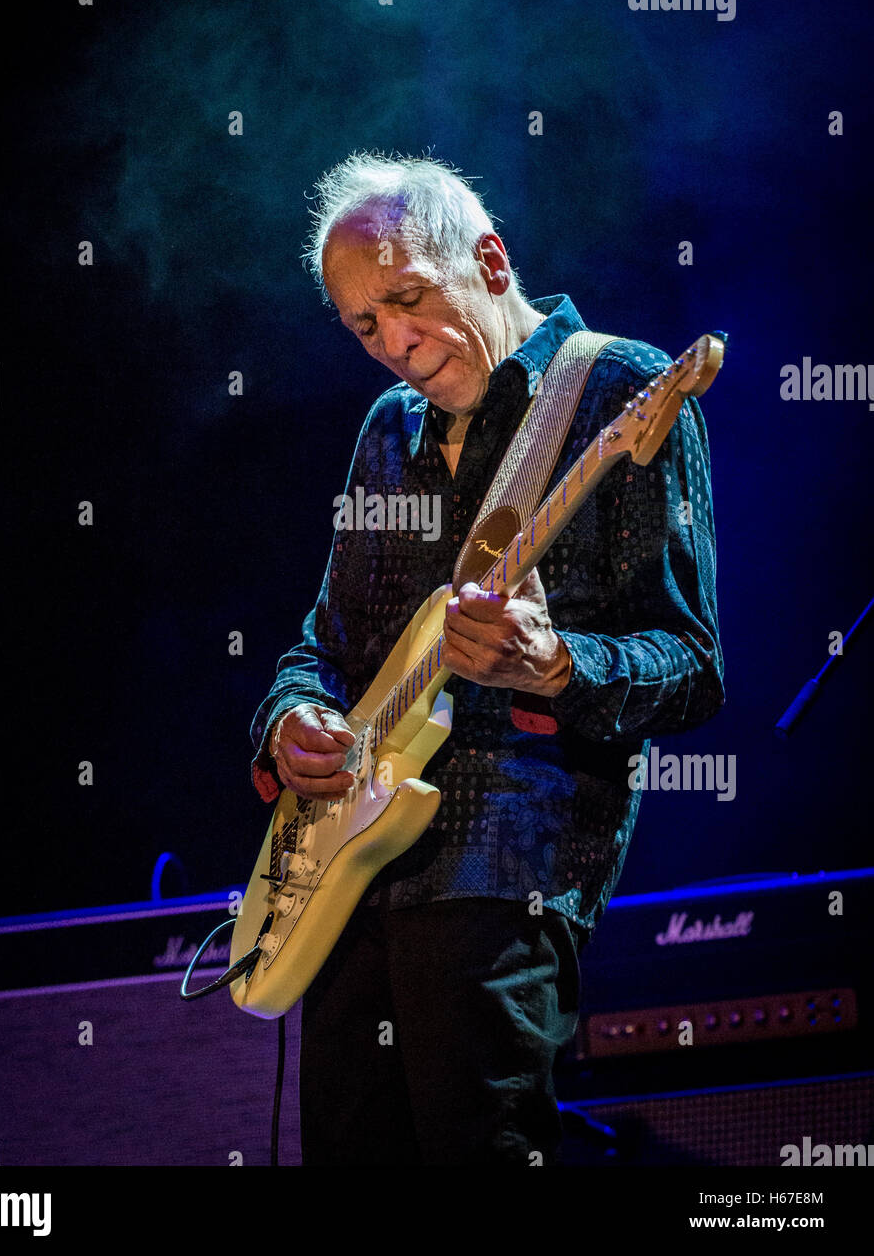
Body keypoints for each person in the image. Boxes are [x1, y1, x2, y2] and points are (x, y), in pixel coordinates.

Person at [248, 152, 724, 1166]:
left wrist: (556, 665)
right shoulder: (386, 432)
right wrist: (291, 718)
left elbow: (690, 664)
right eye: (366, 327)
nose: (397, 346)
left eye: (408, 300)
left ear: (490, 260)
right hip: (350, 871)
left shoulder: (620, 389)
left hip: (509, 854)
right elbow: (324, 645)